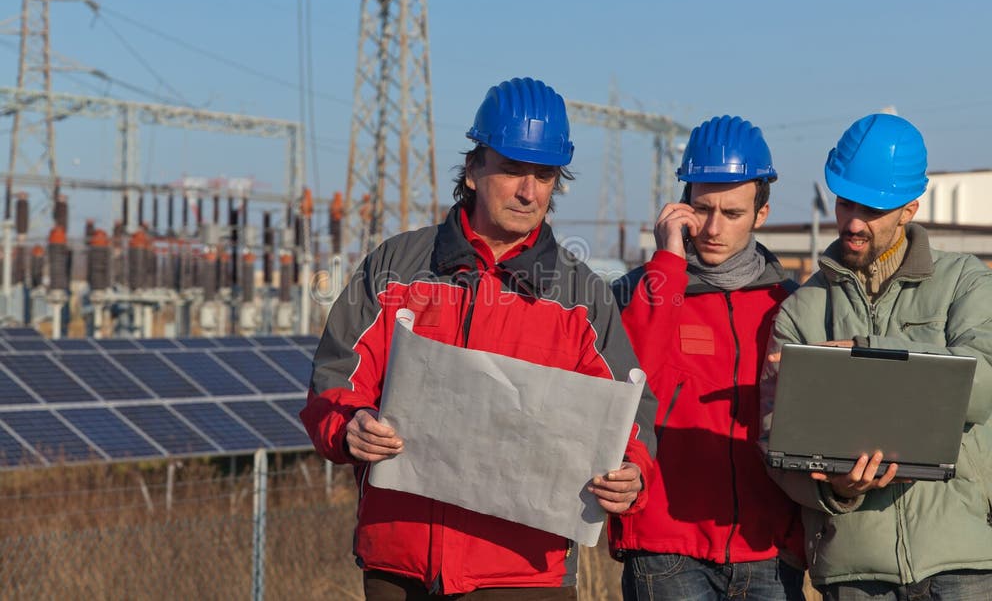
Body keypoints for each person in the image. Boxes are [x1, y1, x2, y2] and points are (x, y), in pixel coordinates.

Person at [300, 77, 658, 600]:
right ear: (472, 170)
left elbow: (630, 411)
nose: (529, 190)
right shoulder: (394, 268)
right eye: (512, 169)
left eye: (544, 174)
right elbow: (335, 378)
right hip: (399, 565)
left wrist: (632, 471)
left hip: (524, 573)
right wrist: (349, 425)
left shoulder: (582, 298)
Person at [760, 113, 992, 599]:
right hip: (854, 572)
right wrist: (835, 490)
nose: (853, 222)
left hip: (962, 564)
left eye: (873, 208)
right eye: (845, 202)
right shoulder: (803, 311)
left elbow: (983, 385)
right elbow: (773, 443)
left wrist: (869, 354)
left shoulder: (964, 282)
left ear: (910, 208)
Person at [611, 115, 806, 600]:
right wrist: (669, 266)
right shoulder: (642, 292)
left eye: (733, 213)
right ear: (681, 206)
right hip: (665, 548)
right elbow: (632, 383)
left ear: (761, 214)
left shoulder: (792, 303)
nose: (713, 228)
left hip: (766, 552)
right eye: (702, 208)